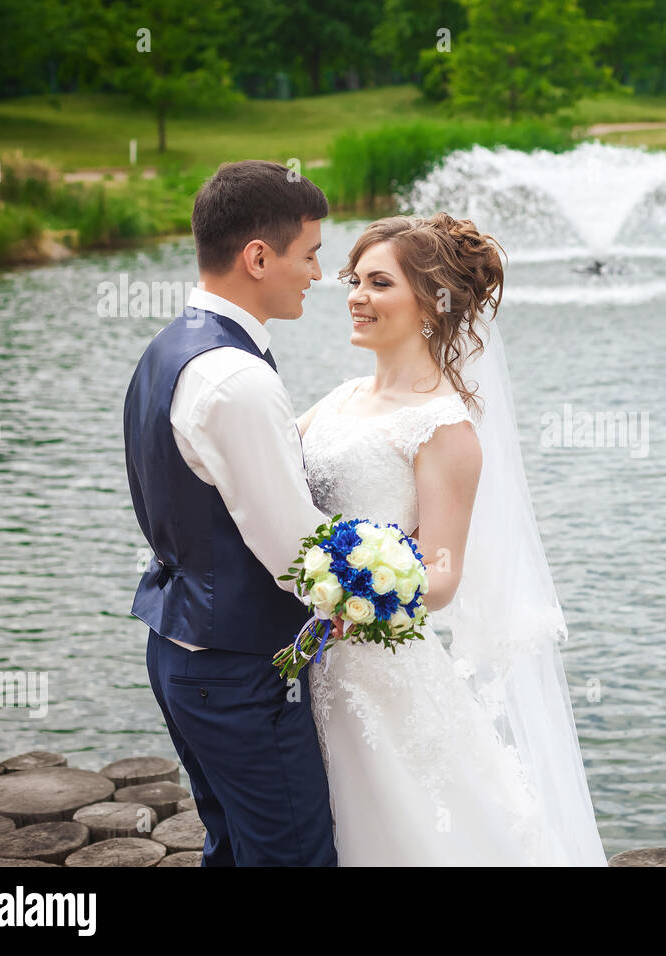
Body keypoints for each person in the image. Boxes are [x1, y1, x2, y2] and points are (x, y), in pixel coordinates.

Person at [297, 213, 607, 865]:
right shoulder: (338, 399)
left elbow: (439, 577)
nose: (355, 295)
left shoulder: (443, 428)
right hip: (311, 662)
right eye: (354, 280)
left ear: (432, 305)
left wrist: (352, 591)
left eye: (378, 283)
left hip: (378, 668)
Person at [123, 160, 340, 866]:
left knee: (232, 848)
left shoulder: (170, 347)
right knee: (292, 856)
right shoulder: (237, 378)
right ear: (257, 256)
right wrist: (384, 575)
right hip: (240, 669)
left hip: (182, 648)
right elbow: (297, 557)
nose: (317, 272)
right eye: (309, 253)